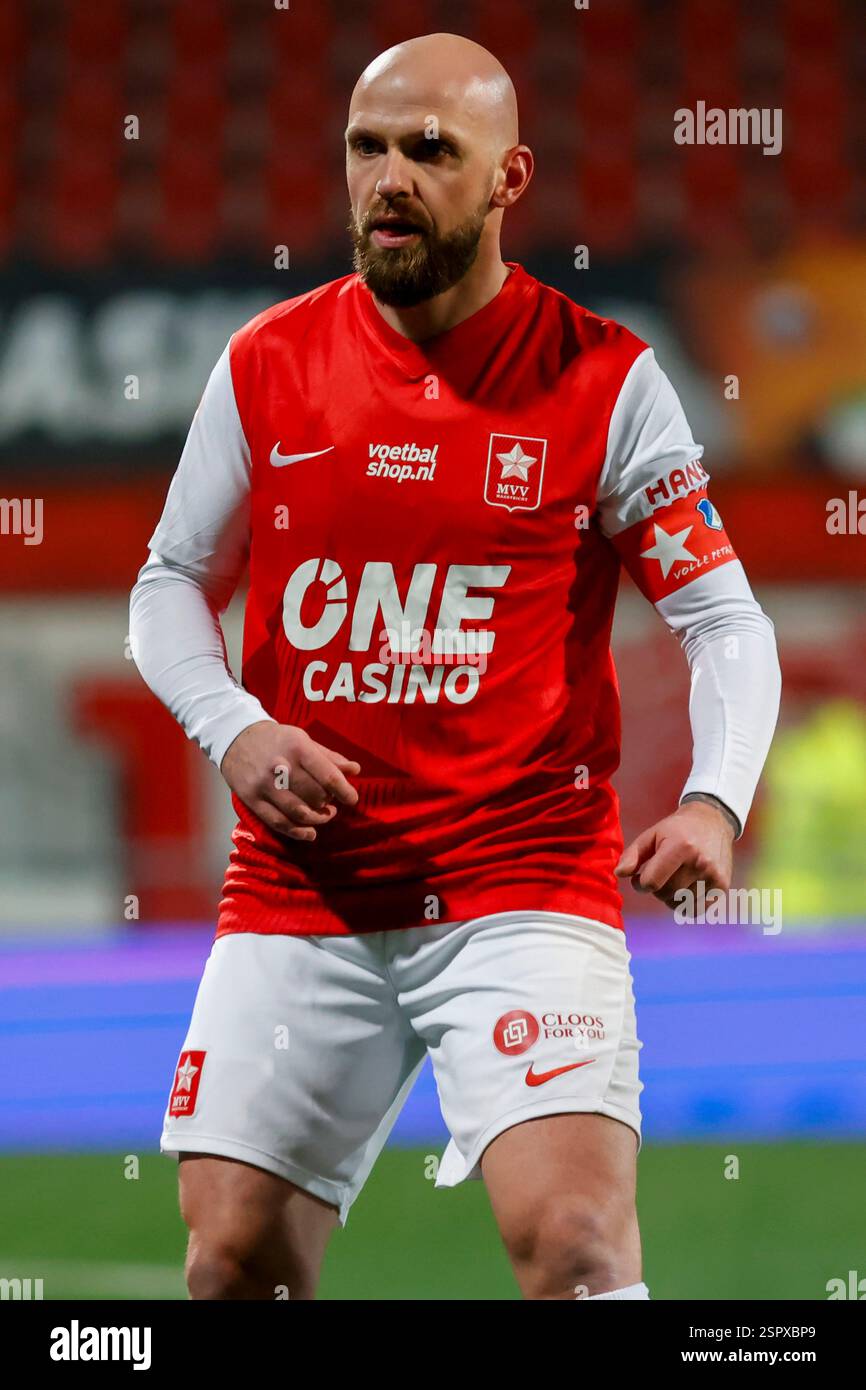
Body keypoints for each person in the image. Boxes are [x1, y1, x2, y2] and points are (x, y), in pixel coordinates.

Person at [129, 32, 781, 1301]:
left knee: (577, 1251)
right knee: (229, 1261)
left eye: (430, 151)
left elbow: (723, 621)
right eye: (368, 148)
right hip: (305, 885)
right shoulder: (266, 362)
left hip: (519, 878)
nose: (390, 178)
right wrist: (234, 728)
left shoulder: (602, 378)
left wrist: (714, 796)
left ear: (505, 180)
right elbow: (168, 586)